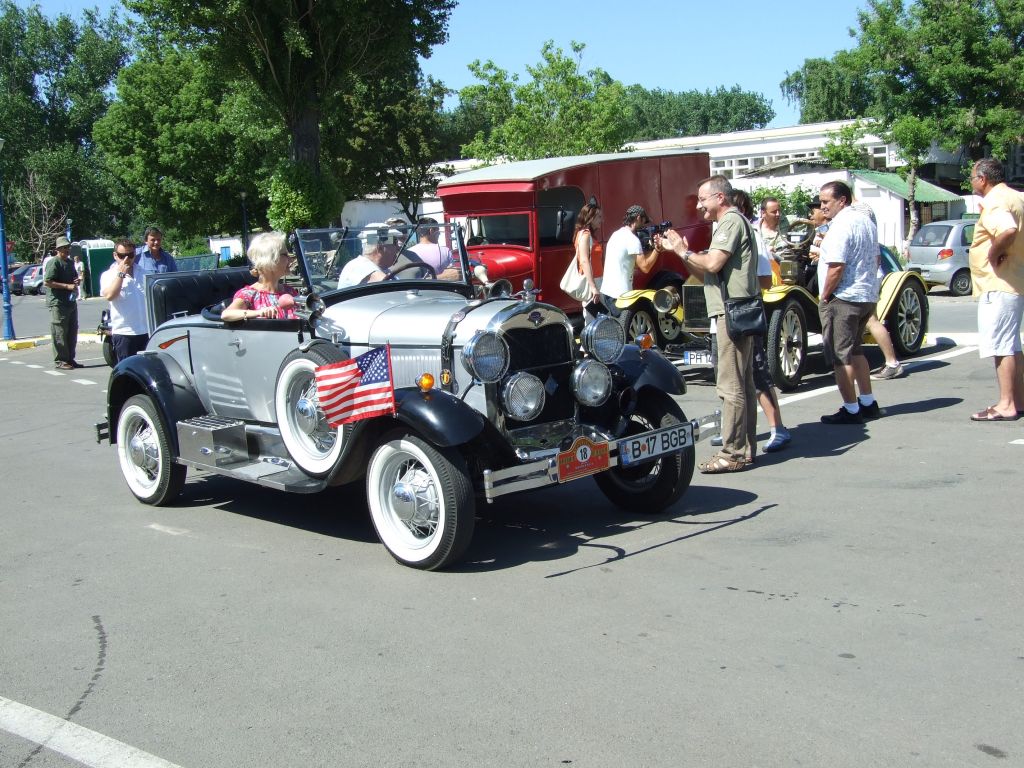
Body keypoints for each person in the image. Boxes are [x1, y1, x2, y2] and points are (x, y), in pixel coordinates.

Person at [660, 176, 757, 473]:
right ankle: (744, 449)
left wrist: (683, 251)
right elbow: (707, 275)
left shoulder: (730, 222)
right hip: (734, 310)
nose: (699, 204)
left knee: (730, 386)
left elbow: (712, 264)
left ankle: (732, 453)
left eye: (703, 198)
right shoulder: (732, 223)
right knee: (743, 383)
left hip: (732, 313)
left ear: (719, 197)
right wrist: (681, 252)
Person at [816, 180, 882, 424]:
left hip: (843, 297)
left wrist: (825, 295)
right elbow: (875, 258)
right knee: (855, 350)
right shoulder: (865, 221)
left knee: (840, 356)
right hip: (865, 295)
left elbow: (836, 266)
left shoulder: (841, 225)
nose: (822, 207)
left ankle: (851, 408)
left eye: (826, 202)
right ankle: (867, 401)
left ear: (841, 200)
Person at [966, 157, 1024, 421]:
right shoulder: (1016, 197)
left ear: (983, 179)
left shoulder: (994, 201)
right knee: (1012, 346)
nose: (971, 181)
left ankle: (1006, 404)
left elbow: (1008, 229)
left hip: (998, 283)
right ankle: (1017, 401)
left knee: (1001, 346)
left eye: (972, 177)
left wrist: (993, 252)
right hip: (1013, 280)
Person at [221, 232, 299, 321]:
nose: (290, 259)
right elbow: (226, 314)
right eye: (285, 255)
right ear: (270, 260)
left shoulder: (290, 292)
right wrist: (258, 312)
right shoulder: (249, 294)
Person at [599, 205, 659, 318]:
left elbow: (633, 263)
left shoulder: (615, 234)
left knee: (617, 328)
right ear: (638, 218)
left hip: (608, 291)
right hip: (621, 294)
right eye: (643, 221)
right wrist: (657, 249)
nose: (644, 225)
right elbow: (645, 267)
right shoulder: (632, 240)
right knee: (624, 331)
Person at [99, 238, 149, 361]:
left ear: (135, 254)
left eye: (130, 255)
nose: (127, 259)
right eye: (122, 256)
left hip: (146, 332)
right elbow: (109, 295)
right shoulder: (108, 275)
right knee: (128, 374)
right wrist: (120, 275)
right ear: (115, 255)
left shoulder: (144, 273)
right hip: (124, 333)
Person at [42, 235, 81, 370]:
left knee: (72, 330)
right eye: (64, 247)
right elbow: (47, 282)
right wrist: (67, 286)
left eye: (68, 247)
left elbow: (74, 278)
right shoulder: (54, 262)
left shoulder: (69, 263)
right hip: (58, 302)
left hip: (70, 301)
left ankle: (70, 358)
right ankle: (61, 360)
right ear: (58, 249)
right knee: (59, 331)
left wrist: (76, 281)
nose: (66, 250)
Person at [337, 224, 402, 288]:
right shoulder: (359, 266)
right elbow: (391, 288)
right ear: (380, 246)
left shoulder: (383, 269)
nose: (398, 248)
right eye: (395, 242)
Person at [569, 201, 602, 319]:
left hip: (595, 279)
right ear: (590, 218)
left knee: (596, 318)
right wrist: (593, 286)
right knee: (593, 320)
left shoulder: (584, 234)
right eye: (598, 217)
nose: (601, 220)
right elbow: (584, 261)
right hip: (592, 281)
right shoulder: (585, 235)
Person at [758, 197, 791, 262]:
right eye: (774, 212)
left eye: (779, 211)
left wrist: (817, 235)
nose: (778, 214)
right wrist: (765, 252)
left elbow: (812, 223)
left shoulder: (788, 222)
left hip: (784, 269)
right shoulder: (754, 231)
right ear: (763, 213)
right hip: (763, 269)